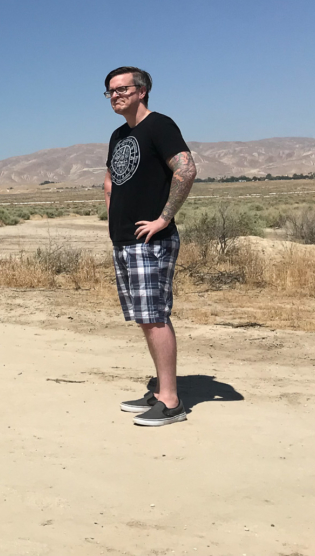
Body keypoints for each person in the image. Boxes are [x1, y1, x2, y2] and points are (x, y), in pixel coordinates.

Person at [103, 67, 196, 426]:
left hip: (151, 240)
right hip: (125, 239)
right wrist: (113, 217)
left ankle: (171, 402)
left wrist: (164, 218)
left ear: (142, 91)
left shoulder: (159, 125)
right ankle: (160, 391)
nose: (115, 95)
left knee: (155, 317)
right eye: (110, 91)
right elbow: (110, 181)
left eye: (122, 89)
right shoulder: (119, 135)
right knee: (145, 318)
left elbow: (186, 169)